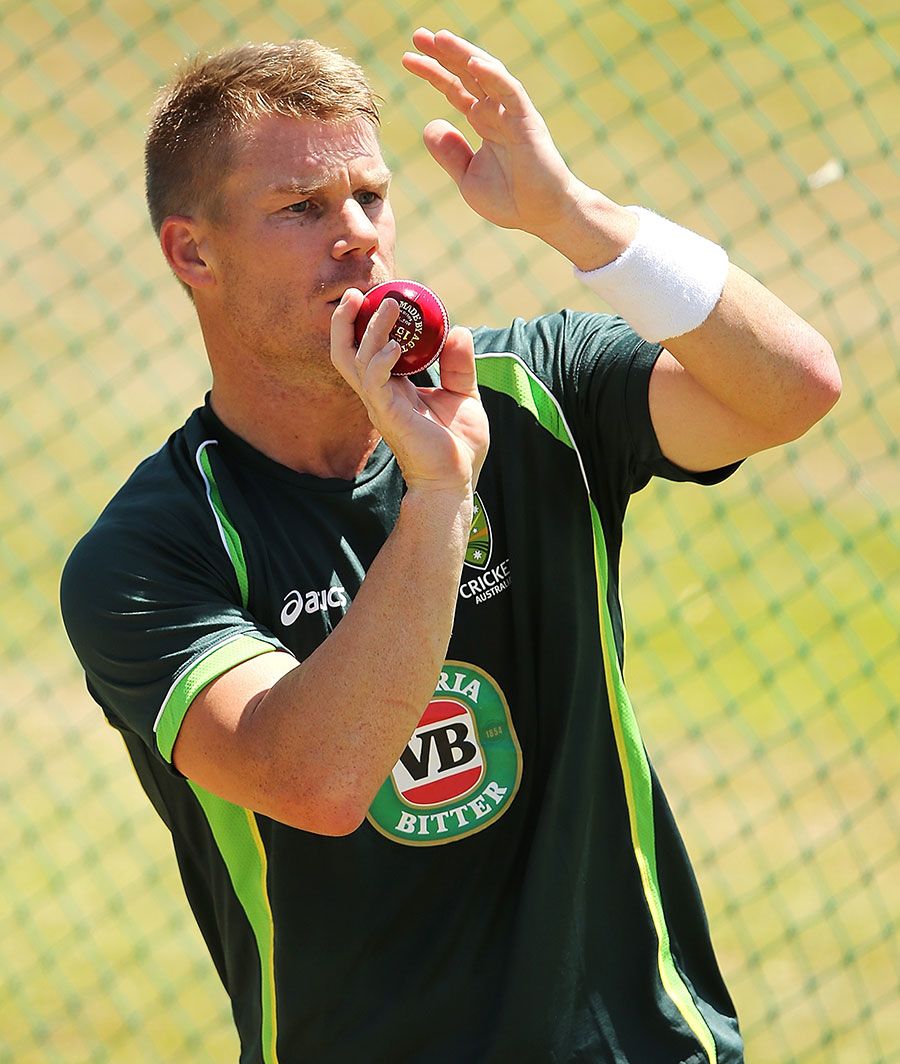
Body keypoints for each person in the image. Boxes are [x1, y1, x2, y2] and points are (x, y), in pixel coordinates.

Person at [60, 27, 840, 1064]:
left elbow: (792, 389)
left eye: (370, 198)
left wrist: (579, 219)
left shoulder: (534, 393)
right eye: (301, 208)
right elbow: (324, 778)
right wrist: (439, 493)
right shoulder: (150, 553)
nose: (357, 237)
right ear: (191, 251)